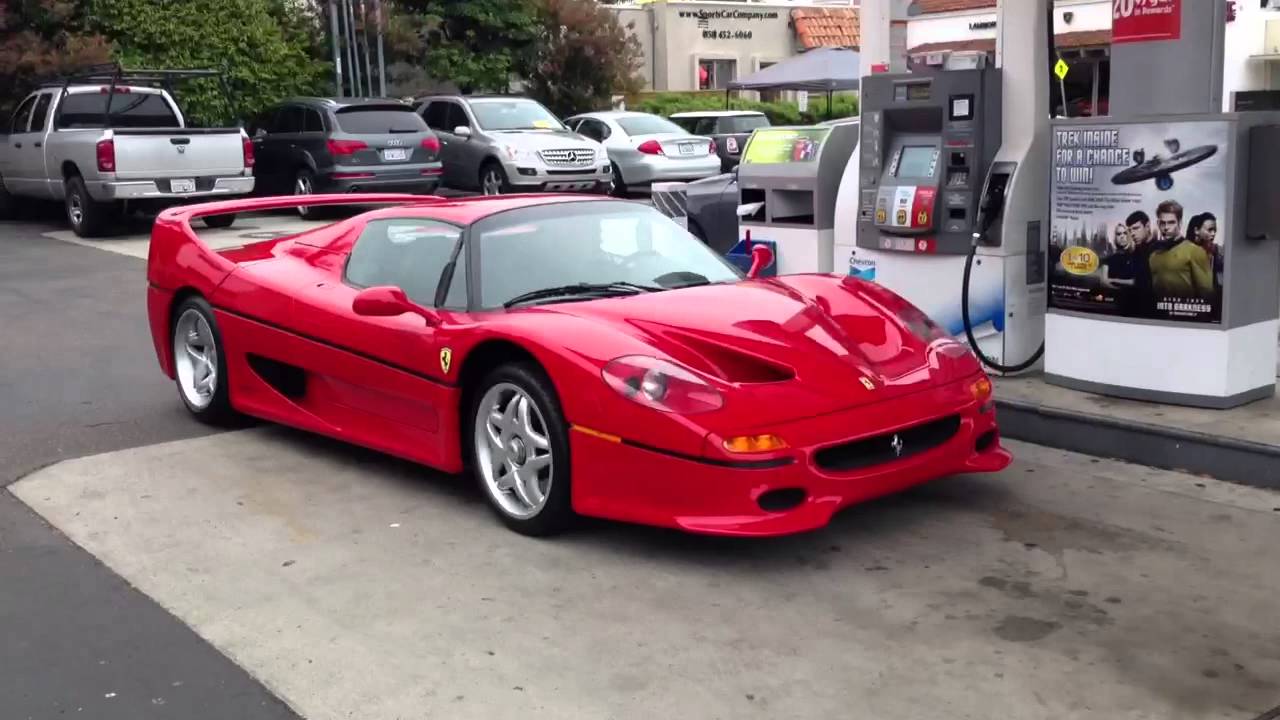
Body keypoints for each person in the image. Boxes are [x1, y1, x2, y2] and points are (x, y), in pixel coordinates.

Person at [1148, 200, 1213, 299]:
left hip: (1185, 312)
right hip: (1158, 313)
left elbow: (1207, 293)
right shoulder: (1153, 256)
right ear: (1158, 223)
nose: (1166, 227)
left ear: (1180, 223)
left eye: (1171, 222)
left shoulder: (1195, 251)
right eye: (1162, 223)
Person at [1187, 212, 1224, 289]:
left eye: (1215, 231)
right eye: (1210, 230)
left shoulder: (1216, 252)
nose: (1213, 234)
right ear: (1196, 230)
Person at [1101, 222, 1136, 288]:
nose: (1122, 236)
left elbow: (1135, 281)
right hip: (1113, 296)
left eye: (1125, 233)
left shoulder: (1135, 257)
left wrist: (1113, 280)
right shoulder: (1108, 260)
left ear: (1129, 236)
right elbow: (1103, 281)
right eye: (1119, 234)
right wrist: (1118, 291)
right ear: (1115, 237)